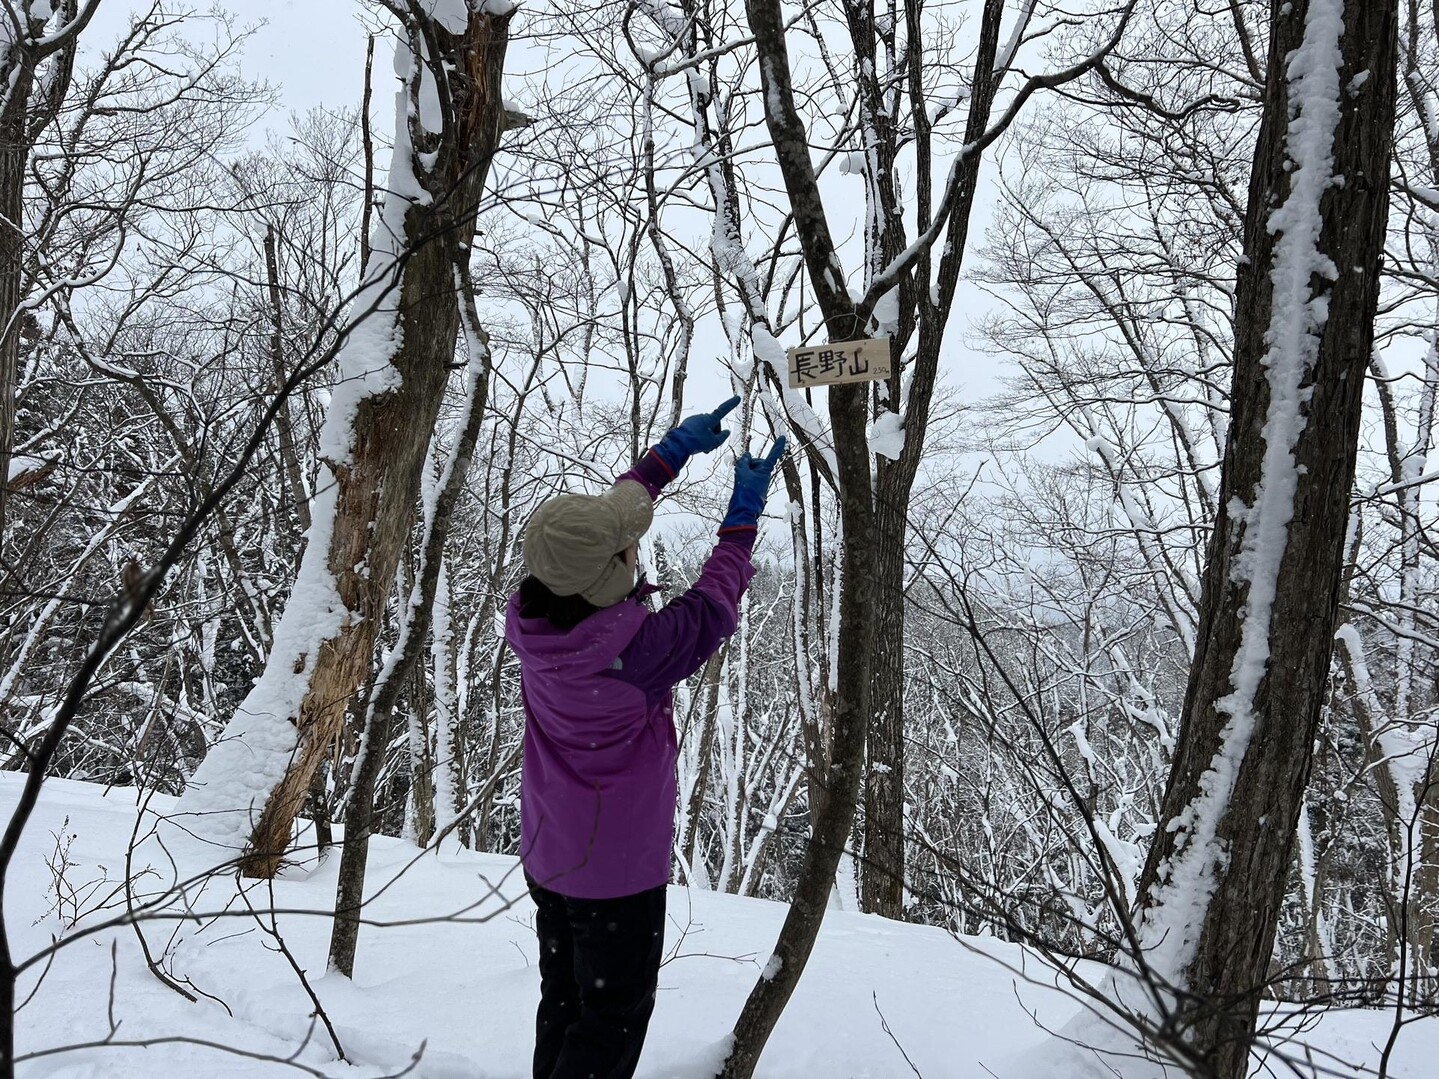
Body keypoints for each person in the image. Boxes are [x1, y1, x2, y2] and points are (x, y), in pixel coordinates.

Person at [506, 396, 786, 1079]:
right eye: (629, 552)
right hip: (615, 876)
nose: (636, 551)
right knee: (610, 1020)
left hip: (551, 855)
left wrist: (672, 452)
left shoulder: (534, 619)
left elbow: (601, 524)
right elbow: (714, 600)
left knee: (565, 998)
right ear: (608, 578)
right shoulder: (638, 654)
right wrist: (743, 512)